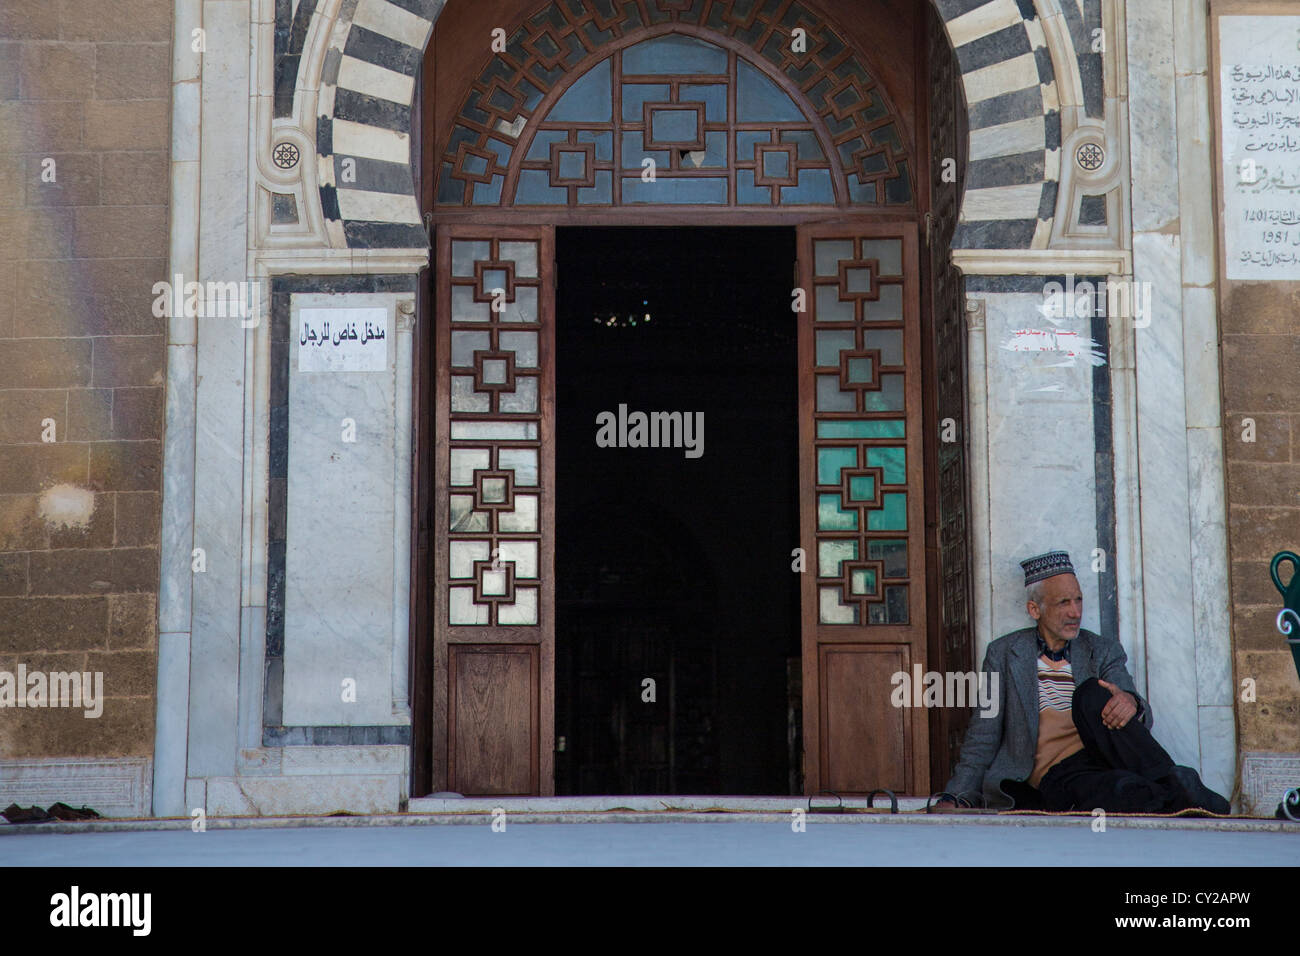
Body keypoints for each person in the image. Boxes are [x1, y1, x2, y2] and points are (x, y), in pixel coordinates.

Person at [933, 550, 1229, 814]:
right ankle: (1183, 792)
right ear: (1035, 610)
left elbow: (1140, 719)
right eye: (1063, 602)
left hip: (1105, 755)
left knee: (1090, 694)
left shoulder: (1102, 650)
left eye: (1078, 600)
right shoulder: (1004, 654)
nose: (1076, 612)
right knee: (1121, 789)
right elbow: (983, 735)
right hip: (1058, 775)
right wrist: (958, 794)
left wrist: (1130, 702)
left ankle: (1172, 781)